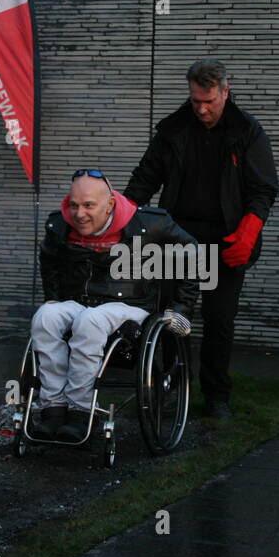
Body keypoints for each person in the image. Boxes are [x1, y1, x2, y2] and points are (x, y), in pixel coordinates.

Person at [125, 59, 279, 419]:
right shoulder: (173, 129)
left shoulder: (247, 131)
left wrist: (250, 228)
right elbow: (145, 179)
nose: (202, 108)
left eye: (209, 101)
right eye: (195, 101)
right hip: (176, 237)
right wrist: (123, 213)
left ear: (225, 92)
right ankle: (168, 388)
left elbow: (263, 188)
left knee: (219, 319)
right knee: (171, 316)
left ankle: (216, 396)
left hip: (226, 241)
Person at [32, 169, 198, 443]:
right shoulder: (58, 225)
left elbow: (194, 251)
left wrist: (182, 307)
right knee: (45, 315)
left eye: (88, 205)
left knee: (92, 321)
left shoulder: (149, 222)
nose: (79, 214)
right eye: (73, 205)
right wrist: (53, 297)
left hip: (131, 305)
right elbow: (48, 259)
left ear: (109, 204)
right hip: (80, 303)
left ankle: (80, 411)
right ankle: (53, 407)